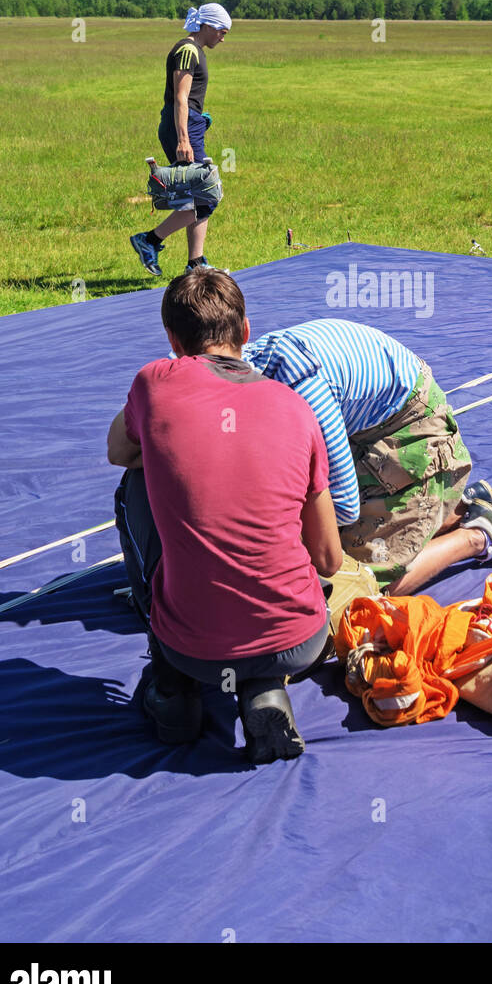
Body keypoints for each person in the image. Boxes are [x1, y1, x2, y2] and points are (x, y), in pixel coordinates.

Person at [108, 269, 342, 763]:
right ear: (246, 332)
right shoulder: (297, 408)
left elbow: (116, 451)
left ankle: (172, 690)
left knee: (133, 486)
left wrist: (167, 448)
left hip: (191, 647)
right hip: (299, 639)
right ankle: (263, 687)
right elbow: (328, 558)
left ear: (172, 340)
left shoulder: (154, 382)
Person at [243, 318, 492, 597]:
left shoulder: (301, 390)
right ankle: (448, 505)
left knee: (356, 587)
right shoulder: (246, 358)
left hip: (413, 432)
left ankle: (478, 534)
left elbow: (345, 508)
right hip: (374, 424)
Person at [130, 3, 231, 278]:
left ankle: (195, 264)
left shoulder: (194, 50)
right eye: (222, 31)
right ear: (207, 26)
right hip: (183, 127)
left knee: (195, 195)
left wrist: (198, 119)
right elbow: (180, 97)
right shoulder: (188, 50)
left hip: (189, 124)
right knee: (207, 194)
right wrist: (184, 138)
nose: (223, 38)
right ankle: (150, 240)